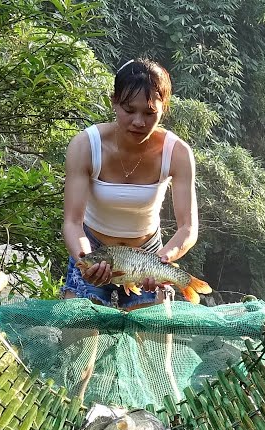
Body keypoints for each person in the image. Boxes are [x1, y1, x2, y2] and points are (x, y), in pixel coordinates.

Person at [61, 58, 198, 309]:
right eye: (129, 110)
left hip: (149, 253)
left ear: (163, 108)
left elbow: (188, 228)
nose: (138, 121)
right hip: (92, 248)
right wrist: (86, 259)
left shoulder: (177, 152)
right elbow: (72, 222)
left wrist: (161, 260)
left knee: (153, 344)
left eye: (149, 113)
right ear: (114, 101)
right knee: (79, 340)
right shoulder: (85, 146)